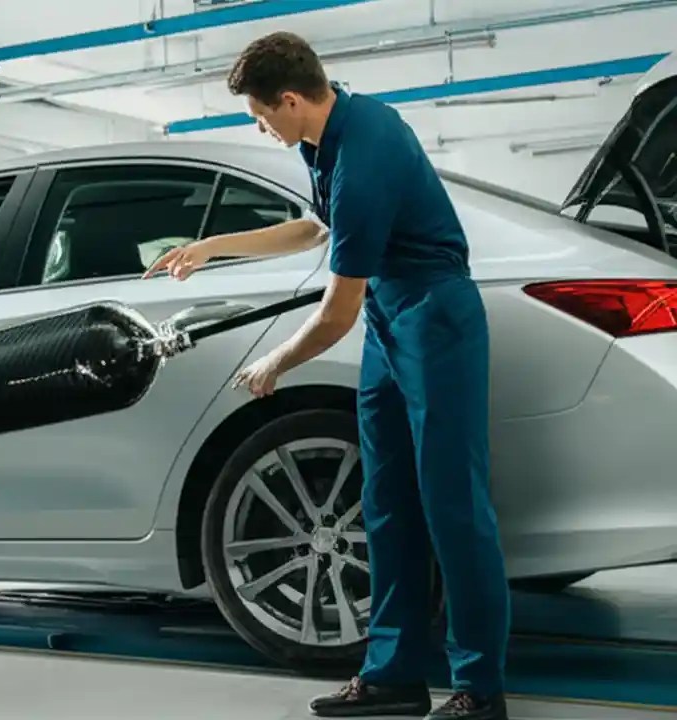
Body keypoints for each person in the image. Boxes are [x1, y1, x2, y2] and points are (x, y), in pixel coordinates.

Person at [144, 31, 511, 720]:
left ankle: (479, 693)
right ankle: (394, 675)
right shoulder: (328, 136)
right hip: (391, 319)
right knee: (388, 503)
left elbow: (337, 310)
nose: (259, 126)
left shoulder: (366, 150)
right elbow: (317, 229)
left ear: (289, 99)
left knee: (454, 510)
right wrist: (211, 248)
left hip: (436, 321)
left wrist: (274, 362)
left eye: (259, 114)